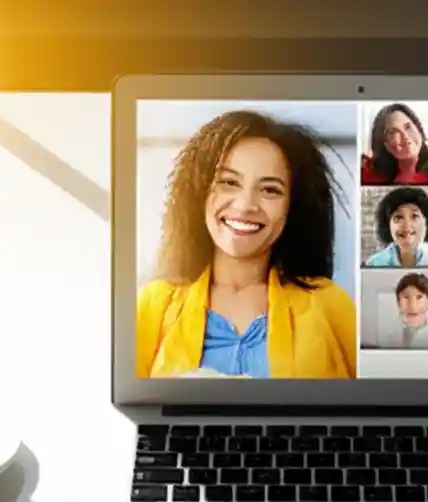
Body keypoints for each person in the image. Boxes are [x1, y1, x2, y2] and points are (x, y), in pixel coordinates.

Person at [135, 109, 357, 379]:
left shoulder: (330, 305)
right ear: (200, 193)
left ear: (293, 207)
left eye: (270, 190)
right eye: (228, 183)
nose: (245, 205)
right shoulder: (152, 305)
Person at [360, 103, 428, 186]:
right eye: (393, 132)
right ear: (384, 143)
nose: (405, 136)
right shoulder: (372, 171)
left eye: (408, 127)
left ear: (418, 128)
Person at [364, 186, 428, 267]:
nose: (407, 226)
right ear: (387, 225)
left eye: (414, 216)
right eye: (398, 217)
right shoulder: (374, 264)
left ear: (426, 222)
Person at [379, 272, 428, 348]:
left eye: (419, 297)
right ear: (398, 302)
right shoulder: (389, 336)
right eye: (406, 297)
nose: (412, 306)